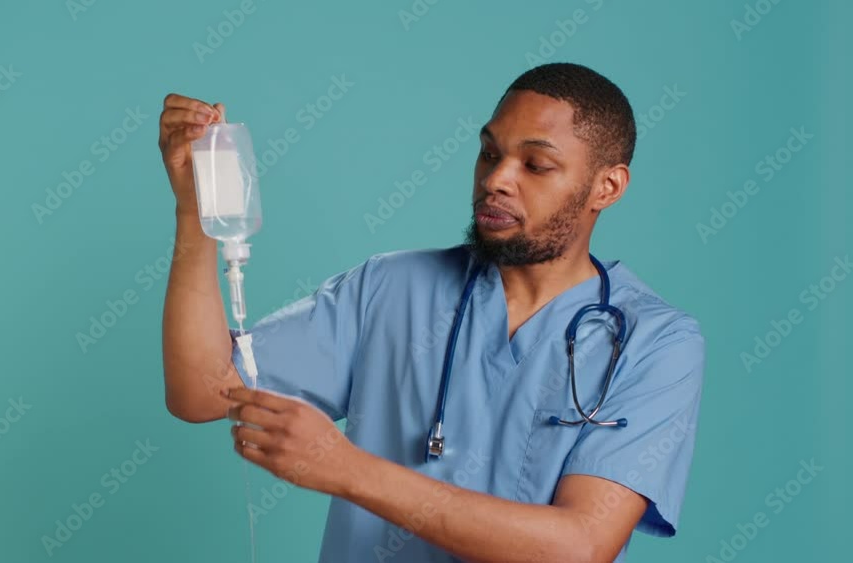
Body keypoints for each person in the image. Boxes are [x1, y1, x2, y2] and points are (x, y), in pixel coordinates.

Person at [158, 62, 705, 563]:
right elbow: (202, 391)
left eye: (536, 165)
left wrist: (346, 469)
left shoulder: (652, 341)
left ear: (606, 187)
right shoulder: (391, 288)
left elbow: (582, 546)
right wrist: (194, 213)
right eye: (490, 153)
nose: (496, 179)